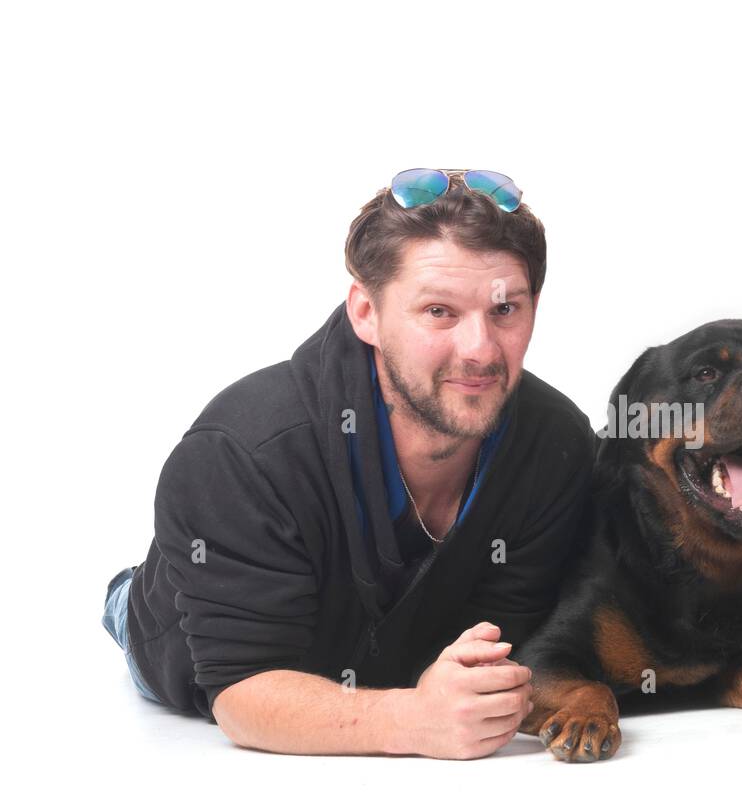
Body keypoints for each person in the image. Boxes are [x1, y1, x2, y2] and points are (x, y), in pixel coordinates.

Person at [100, 169, 596, 758]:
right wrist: (414, 720)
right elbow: (239, 693)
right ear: (365, 311)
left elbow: (506, 635)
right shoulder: (240, 452)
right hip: (179, 638)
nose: (480, 350)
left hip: (380, 638)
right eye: (439, 311)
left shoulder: (559, 443)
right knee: (150, 607)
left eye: (505, 309)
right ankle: (126, 598)